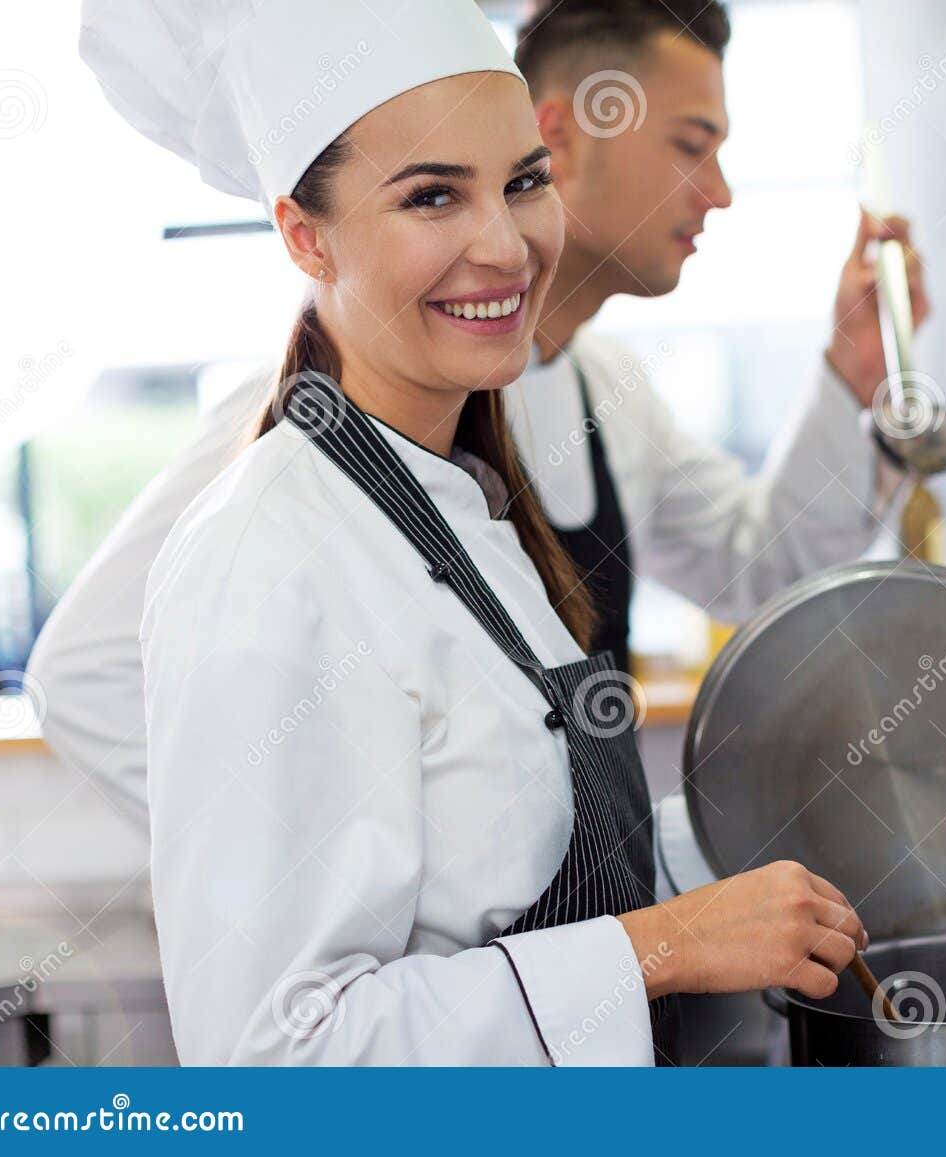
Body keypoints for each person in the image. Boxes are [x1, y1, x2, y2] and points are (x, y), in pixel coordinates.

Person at [81, 0, 866, 1066]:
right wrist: (660, 944)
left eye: (523, 182)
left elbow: (497, 861)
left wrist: (746, 869)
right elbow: (283, 1063)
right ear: (304, 236)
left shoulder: (471, 499)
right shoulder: (265, 553)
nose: (503, 245)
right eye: (432, 195)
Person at [31, 0, 930, 825]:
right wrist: (326, 864)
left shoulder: (602, 388)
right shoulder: (317, 413)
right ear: (563, 138)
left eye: (513, 188)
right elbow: (85, 676)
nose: (722, 192)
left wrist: (853, 378)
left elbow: (758, 570)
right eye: (691, 144)